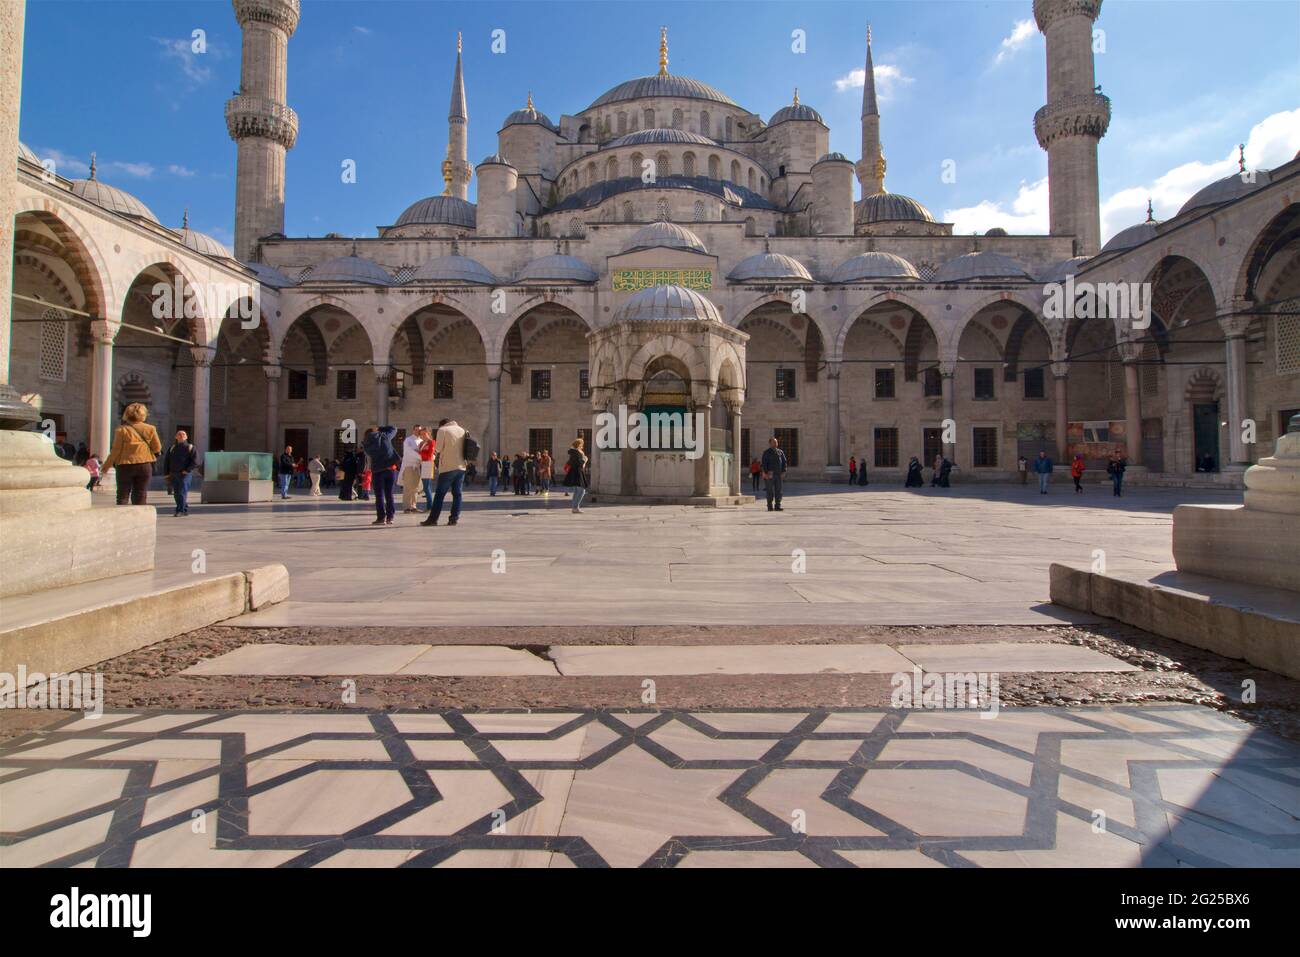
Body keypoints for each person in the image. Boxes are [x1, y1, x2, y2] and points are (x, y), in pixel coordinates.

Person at [102, 402, 162, 506]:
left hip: (125, 465)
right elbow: (157, 448)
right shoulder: (150, 429)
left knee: (123, 495)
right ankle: (139, 519)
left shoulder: (121, 430)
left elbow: (115, 450)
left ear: (127, 414)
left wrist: (106, 466)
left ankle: (124, 519)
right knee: (141, 494)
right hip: (144, 465)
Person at [424, 418, 467, 526]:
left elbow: (438, 448)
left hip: (448, 466)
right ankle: (454, 518)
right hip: (461, 466)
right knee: (457, 494)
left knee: (440, 494)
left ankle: (433, 519)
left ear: (441, 425)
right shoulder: (462, 430)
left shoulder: (443, 430)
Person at [362, 425, 399, 525]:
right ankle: (390, 517)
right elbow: (394, 428)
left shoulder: (366, 443)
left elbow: (369, 456)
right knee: (389, 494)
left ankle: (381, 518)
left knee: (379, 496)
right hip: (390, 469)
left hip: (377, 470)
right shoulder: (384, 436)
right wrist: (380, 428)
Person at [163, 429, 197, 516]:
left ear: (186, 437)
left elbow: (195, 461)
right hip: (174, 473)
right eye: (179, 434)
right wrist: (166, 473)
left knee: (182, 492)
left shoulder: (190, 447)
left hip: (184, 474)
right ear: (176, 437)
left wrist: (187, 470)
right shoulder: (172, 448)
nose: (181, 435)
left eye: (183, 434)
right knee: (176, 493)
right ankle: (184, 509)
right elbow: (167, 461)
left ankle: (180, 510)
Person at [400, 424, 425, 513]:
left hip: (417, 466)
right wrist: (421, 456)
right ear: (413, 430)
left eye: (419, 430)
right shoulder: (408, 440)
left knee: (415, 488)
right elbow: (409, 451)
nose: (418, 431)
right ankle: (407, 507)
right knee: (408, 487)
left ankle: (413, 506)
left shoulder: (422, 441)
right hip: (409, 466)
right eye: (416, 430)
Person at [760, 435, 787, 512]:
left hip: (778, 475)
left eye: (776, 442)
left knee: (779, 491)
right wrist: (764, 473)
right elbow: (764, 463)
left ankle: (777, 506)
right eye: (774, 442)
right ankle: (769, 506)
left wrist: (784, 471)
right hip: (770, 474)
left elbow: (784, 462)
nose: (775, 443)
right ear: (770, 443)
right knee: (769, 491)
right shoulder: (766, 452)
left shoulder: (780, 452)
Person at [564, 436, 589, 513]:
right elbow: (580, 464)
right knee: (582, 491)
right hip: (578, 473)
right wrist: (585, 460)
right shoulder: (577, 453)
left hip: (575, 472)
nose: (582, 446)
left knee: (577, 491)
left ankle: (575, 507)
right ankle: (575, 507)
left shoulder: (573, 452)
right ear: (579, 445)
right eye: (582, 444)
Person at [418, 427, 436, 511]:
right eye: (421, 434)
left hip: (428, 464)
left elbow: (429, 455)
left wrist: (420, 453)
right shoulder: (421, 443)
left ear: (428, 434)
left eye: (424, 434)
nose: (422, 436)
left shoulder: (431, 442)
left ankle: (430, 506)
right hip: (422, 464)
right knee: (425, 486)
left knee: (426, 486)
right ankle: (430, 506)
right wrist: (421, 453)